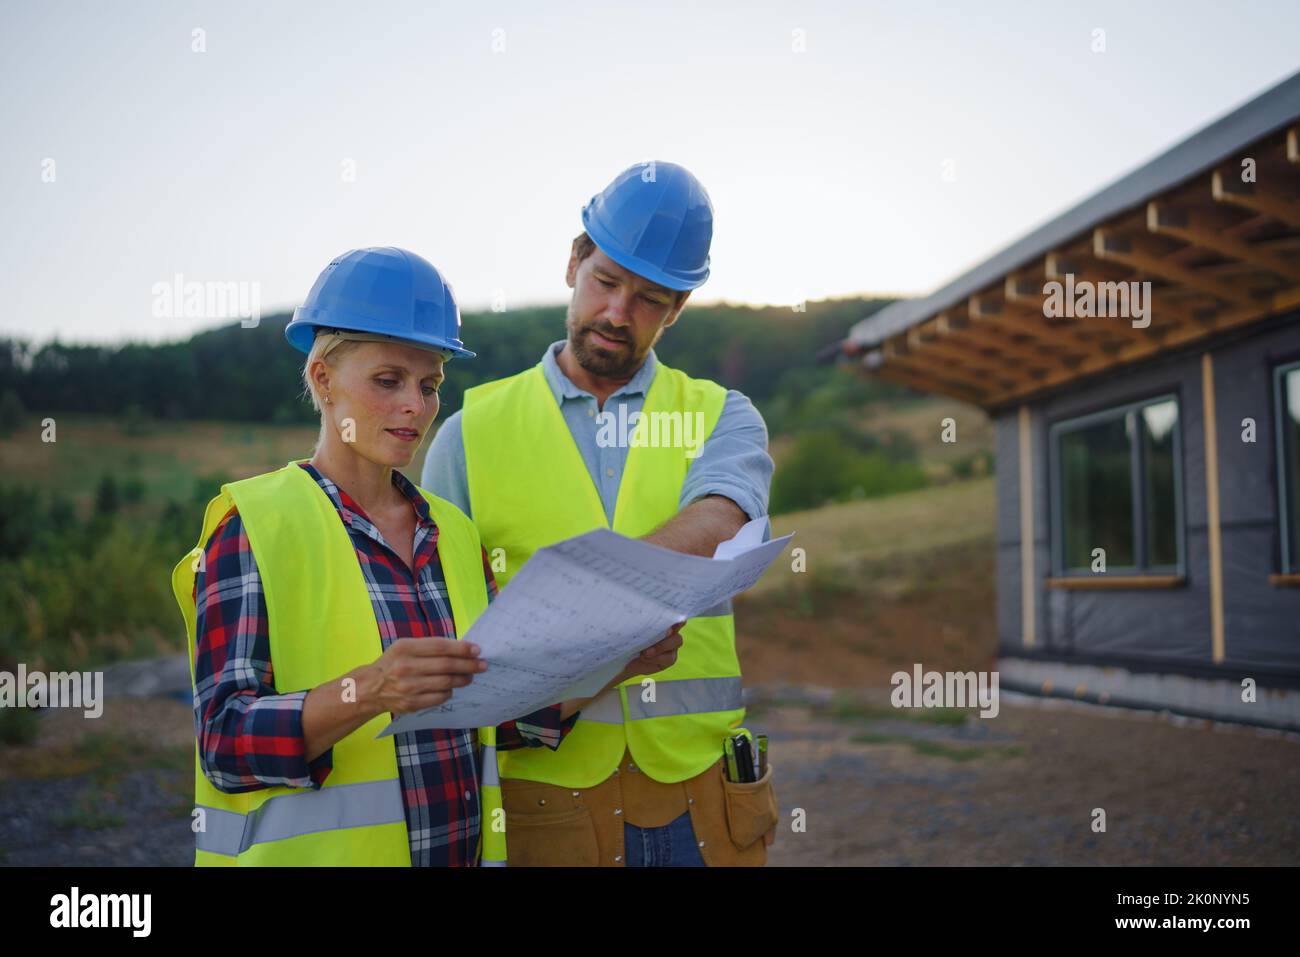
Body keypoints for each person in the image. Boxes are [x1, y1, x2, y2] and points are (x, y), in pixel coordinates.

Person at [170, 246, 677, 866]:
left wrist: (618, 664)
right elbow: (225, 743)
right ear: (323, 378)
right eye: (389, 380)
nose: (417, 404)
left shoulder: (455, 535)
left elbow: (499, 716)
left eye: (430, 384)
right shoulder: (255, 526)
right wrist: (371, 689)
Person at [422, 162, 780, 866]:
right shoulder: (470, 431)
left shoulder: (721, 413)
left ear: (676, 310)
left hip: (697, 792)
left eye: (649, 299)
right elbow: (443, 615)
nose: (618, 313)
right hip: (545, 796)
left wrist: (581, 612)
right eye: (607, 281)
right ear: (573, 261)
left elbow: (718, 524)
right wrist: (613, 639)